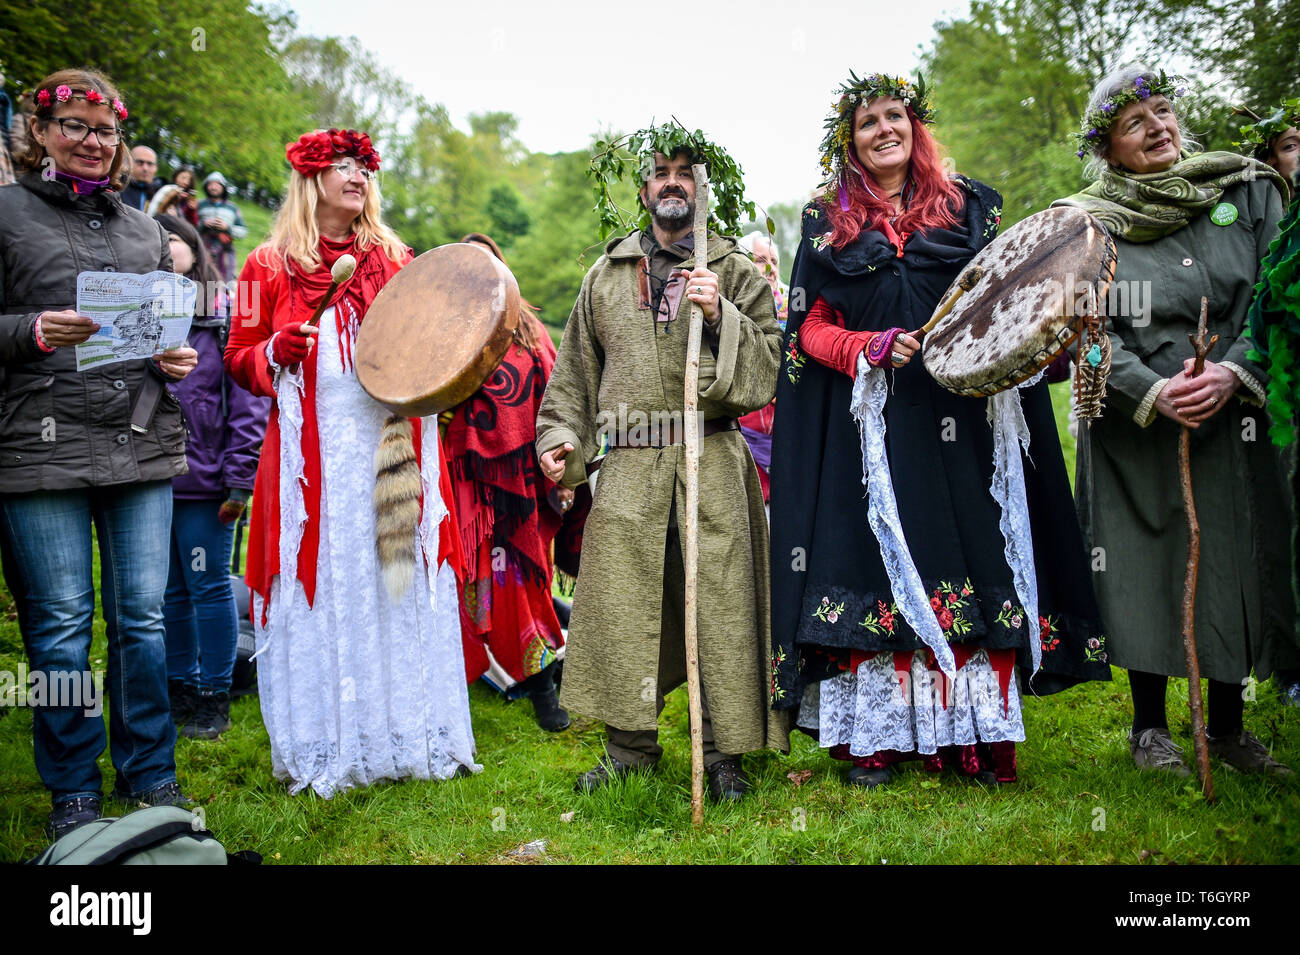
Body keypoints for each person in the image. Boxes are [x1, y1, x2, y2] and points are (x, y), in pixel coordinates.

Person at [770, 72, 1109, 789]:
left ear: (915, 127)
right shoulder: (825, 226)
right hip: (878, 432)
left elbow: (1016, 301)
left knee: (975, 559)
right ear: (850, 144)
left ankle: (976, 741)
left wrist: (1055, 334)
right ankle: (882, 741)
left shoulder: (968, 210)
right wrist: (868, 347)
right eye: (868, 123)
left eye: (895, 116)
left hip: (968, 425)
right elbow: (809, 330)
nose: (884, 129)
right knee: (879, 569)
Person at [1056, 66, 1299, 774]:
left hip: (1235, 412)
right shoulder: (1087, 222)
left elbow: (1281, 293)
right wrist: (1151, 389)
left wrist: (1235, 372)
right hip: (1140, 418)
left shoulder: (1245, 190)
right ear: (1109, 148)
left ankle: (1227, 726)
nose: (1158, 127)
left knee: (1233, 552)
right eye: (1136, 123)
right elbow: (1084, 328)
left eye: (1163, 112)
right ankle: (1149, 728)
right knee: (1143, 557)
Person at [536, 126, 789, 802]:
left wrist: (723, 313)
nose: (673, 181)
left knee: (722, 606)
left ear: (704, 189)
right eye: (661, 171)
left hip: (713, 455)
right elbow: (572, 383)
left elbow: (770, 366)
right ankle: (629, 750)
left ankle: (724, 753)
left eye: (686, 172)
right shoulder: (607, 274)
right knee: (626, 606)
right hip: (630, 466)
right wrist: (559, 440)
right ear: (644, 188)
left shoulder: (733, 268)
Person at [224, 128, 477, 796]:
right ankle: (331, 737)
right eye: (342, 165)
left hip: (392, 444)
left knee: (392, 577)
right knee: (332, 580)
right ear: (311, 181)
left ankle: (410, 734)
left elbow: (433, 338)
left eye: (364, 165)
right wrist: (276, 346)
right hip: (316, 464)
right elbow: (238, 358)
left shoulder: (394, 257)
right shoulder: (267, 265)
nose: (357, 175)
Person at [0, 69, 199, 839]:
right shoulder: (7, 213)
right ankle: (73, 785)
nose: (93, 141)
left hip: (139, 442)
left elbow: (159, 328)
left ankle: (150, 769)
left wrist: (172, 359)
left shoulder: (146, 231)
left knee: (142, 619)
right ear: (40, 132)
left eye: (106, 130)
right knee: (59, 625)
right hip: (35, 446)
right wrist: (33, 331)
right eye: (76, 125)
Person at [443, 232, 574, 732]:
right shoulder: (446, 330)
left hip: (524, 486)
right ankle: (528, 672)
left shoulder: (529, 331)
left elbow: (557, 397)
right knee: (485, 584)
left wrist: (562, 468)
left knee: (522, 580)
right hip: (469, 484)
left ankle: (543, 683)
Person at [155, 214, 268, 740]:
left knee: (208, 587)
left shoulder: (221, 321)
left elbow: (248, 408)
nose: (162, 244)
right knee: (169, 593)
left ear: (194, 250)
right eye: (153, 236)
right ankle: (178, 688)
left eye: (172, 236)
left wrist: (240, 481)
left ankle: (214, 695)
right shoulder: (137, 319)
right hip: (145, 482)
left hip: (205, 484)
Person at [735, 231, 787, 504]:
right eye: (760, 260)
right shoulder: (728, 311)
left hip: (786, 444)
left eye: (774, 261)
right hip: (742, 442)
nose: (770, 268)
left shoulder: (796, 312)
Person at [197, 170, 246, 283]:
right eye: (210, 184)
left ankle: (223, 300)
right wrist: (203, 225)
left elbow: (243, 231)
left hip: (225, 250)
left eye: (217, 184)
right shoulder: (199, 205)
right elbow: (189, 227)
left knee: (225, 281)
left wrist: (227, 228)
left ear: (223, 187)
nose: (213, 187)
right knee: (203, 279)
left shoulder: (233, 208)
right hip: (203, 248)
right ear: (206, 187)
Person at [119, 144, 161, 211]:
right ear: (128, 163)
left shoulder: (161, 193)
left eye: (150, 164)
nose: (145, 168)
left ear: (156, 168)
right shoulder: (117, 187)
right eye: (140, 162)